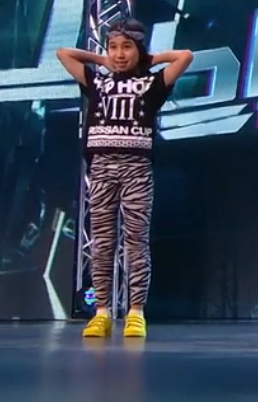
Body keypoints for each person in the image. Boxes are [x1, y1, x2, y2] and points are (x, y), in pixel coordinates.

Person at [56, 18, 193, 339]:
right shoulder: (97, 81)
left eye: (127, 47)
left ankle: (136, 312)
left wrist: (149, 60)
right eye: (113, 47)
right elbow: (64, 53)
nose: (119, 54)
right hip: (102, 169)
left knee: (136, 242)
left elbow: (185, 56)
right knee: (102, 242)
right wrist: (102, 60)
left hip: (136, 170)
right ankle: (102, 312)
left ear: (138, 50)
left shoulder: (151, 83)